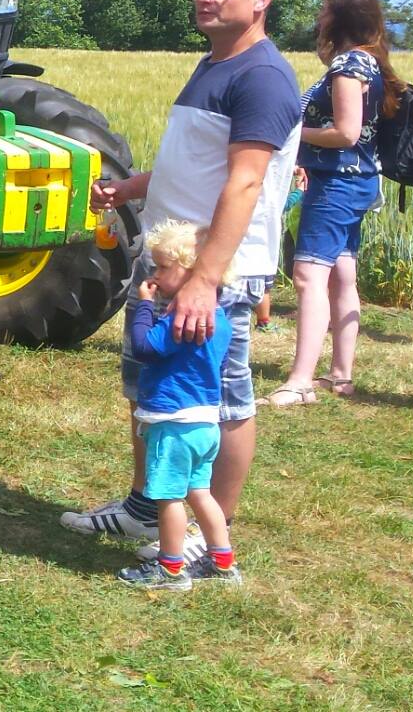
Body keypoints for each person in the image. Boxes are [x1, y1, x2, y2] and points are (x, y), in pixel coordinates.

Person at [65, 0, 300, 576]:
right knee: (152, 389)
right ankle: (150, 506)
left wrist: (204, 281)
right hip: (170, 266)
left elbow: (246, 184)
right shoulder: (213, 65)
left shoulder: (262, 77)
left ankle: (206, 529)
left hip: (211, 274)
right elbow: (195, 162)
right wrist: (134, 186)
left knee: (220, 402)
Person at [271, 0, 405, 405]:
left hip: (336, 183)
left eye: (325, 9)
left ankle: (300, 381)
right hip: (359, 182)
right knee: (342, 274)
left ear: (340, 17)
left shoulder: (349, 66)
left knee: (309, 276)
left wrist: (290, 136)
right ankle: (340, 375)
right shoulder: (370, 61)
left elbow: (345, 133)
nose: (319, 16)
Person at [116, 220, 243, 591]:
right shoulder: (219, 319)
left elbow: (146, 347)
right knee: (200, 493)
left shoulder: (180, 318)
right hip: (205, 423)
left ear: (190, 271)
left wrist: (143, 306)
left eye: (162, 267)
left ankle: (170, 569)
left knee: (168, 495)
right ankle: (221, 561)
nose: (155, 274)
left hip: (174, 421)